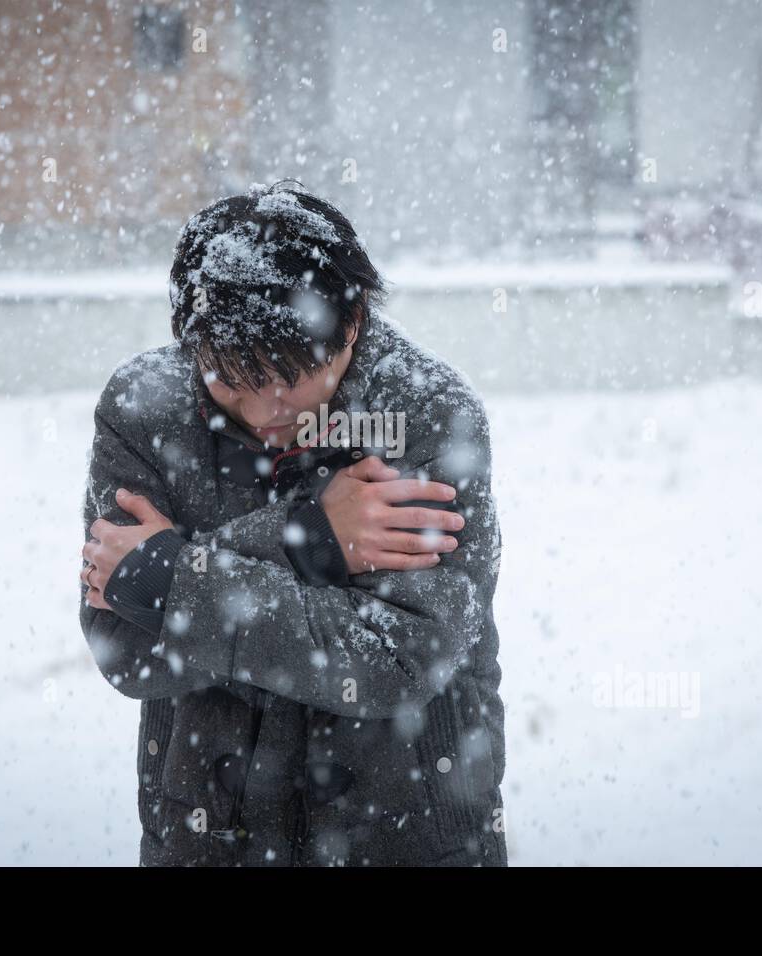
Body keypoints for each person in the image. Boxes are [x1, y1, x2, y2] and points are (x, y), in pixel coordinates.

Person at [79, 179, 507, 866]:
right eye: (228, 379)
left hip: (406, 830)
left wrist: (172, 577)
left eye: (292, 376)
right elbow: (122, 647)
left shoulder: (424, 414)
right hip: (206, 832)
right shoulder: (144, 410)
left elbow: (401, 658)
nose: (264, 409)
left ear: (355, 323)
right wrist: (308, 538)